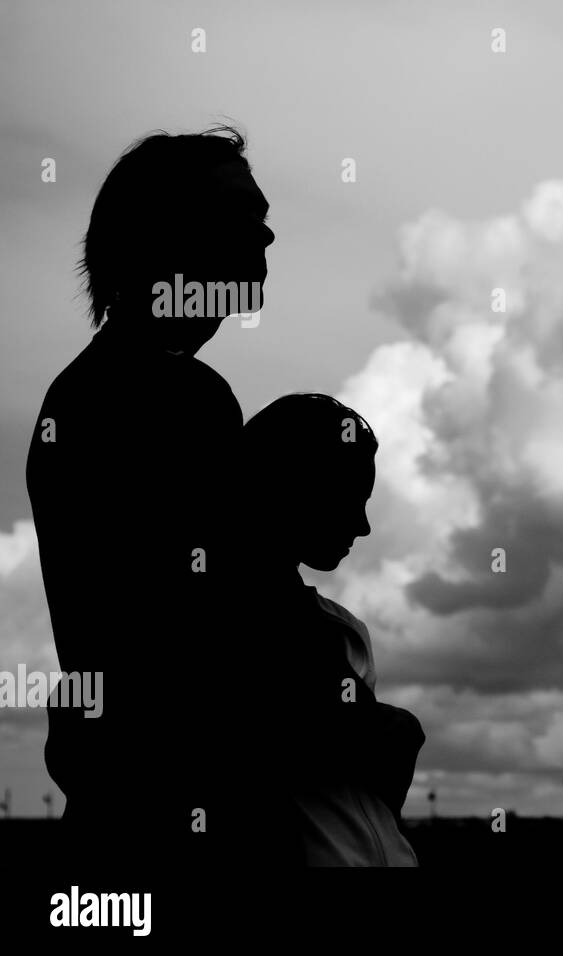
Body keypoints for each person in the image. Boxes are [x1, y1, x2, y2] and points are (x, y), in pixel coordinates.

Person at [26, 126, 277, 865]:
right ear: (169, 233)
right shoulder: (175, 395)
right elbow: (229, 624)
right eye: (241, 211)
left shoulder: (96, 389)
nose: (267, 229)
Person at [239, 393, 425, 866]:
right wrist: (396, 730)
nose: (363, 526)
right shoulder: (226, 619)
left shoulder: (340, 629)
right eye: (352, 498)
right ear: (295, 487)